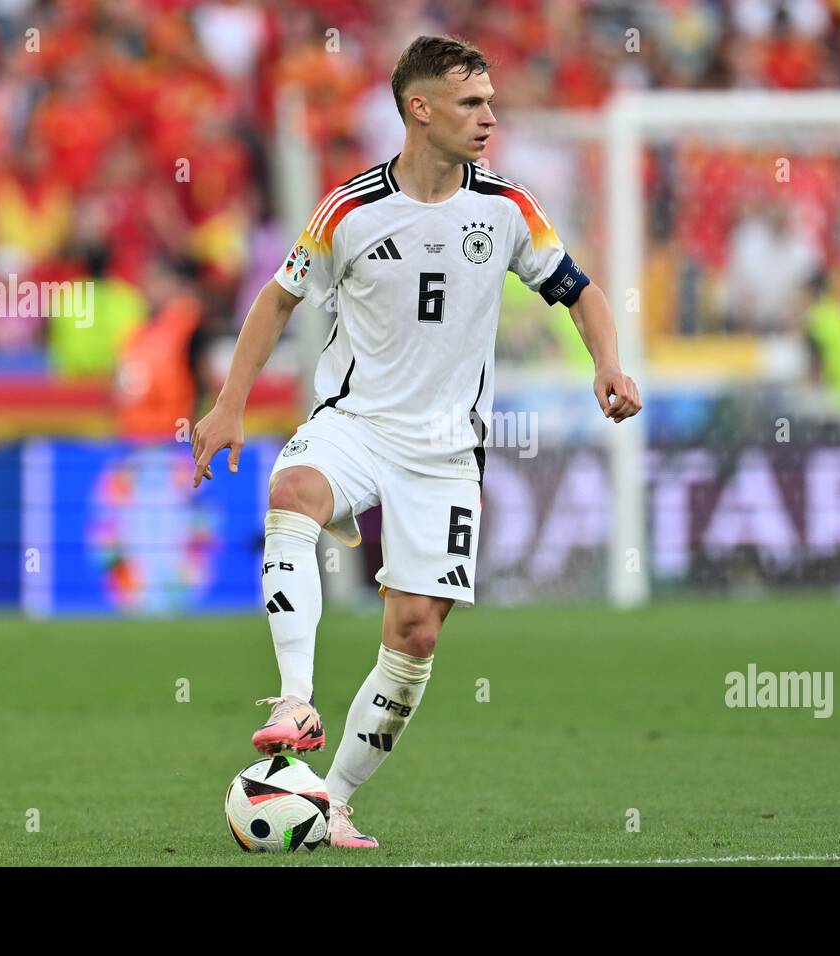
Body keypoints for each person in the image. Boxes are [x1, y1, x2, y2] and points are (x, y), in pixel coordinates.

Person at [190, 35, 641, 848]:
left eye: (491, 101)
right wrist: (229, 404)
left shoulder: (506, 208)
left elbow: (582, 291)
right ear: (419, 109)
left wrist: (607, 361)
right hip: (356, 421)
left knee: (416, 634)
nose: (489, 117)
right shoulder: (350, 209)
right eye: (472, 104)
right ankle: (294, 699)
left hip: (444, 450)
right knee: (291, 492)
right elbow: (276, 300)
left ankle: (331, 800)